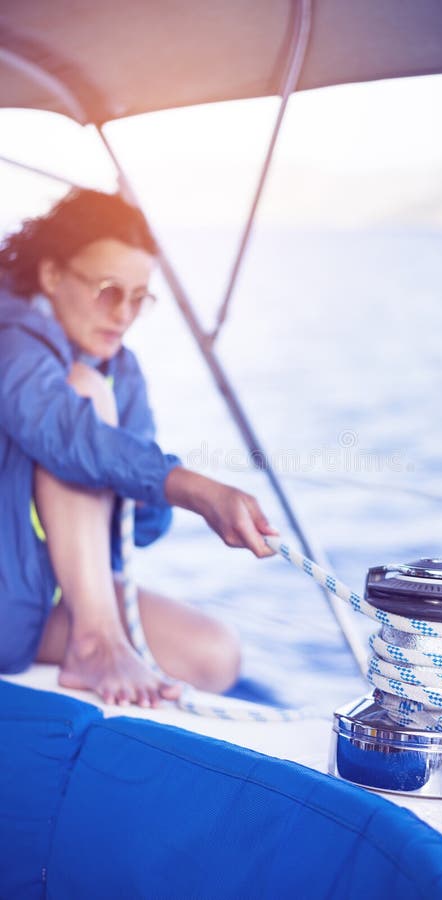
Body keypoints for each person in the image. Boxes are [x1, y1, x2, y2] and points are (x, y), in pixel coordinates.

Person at [0, 188, 278, 709]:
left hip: (35, 606)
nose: (123, 313)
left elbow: (143, 532)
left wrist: (141, 489)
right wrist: (189, 487)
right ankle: (95, 643)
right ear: (52, 276)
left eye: (138, 298)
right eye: (108, 291)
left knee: (213, 654)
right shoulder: (8, 336)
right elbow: (62, 431)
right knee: (83, 391)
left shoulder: (120, 371)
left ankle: (97, 637)